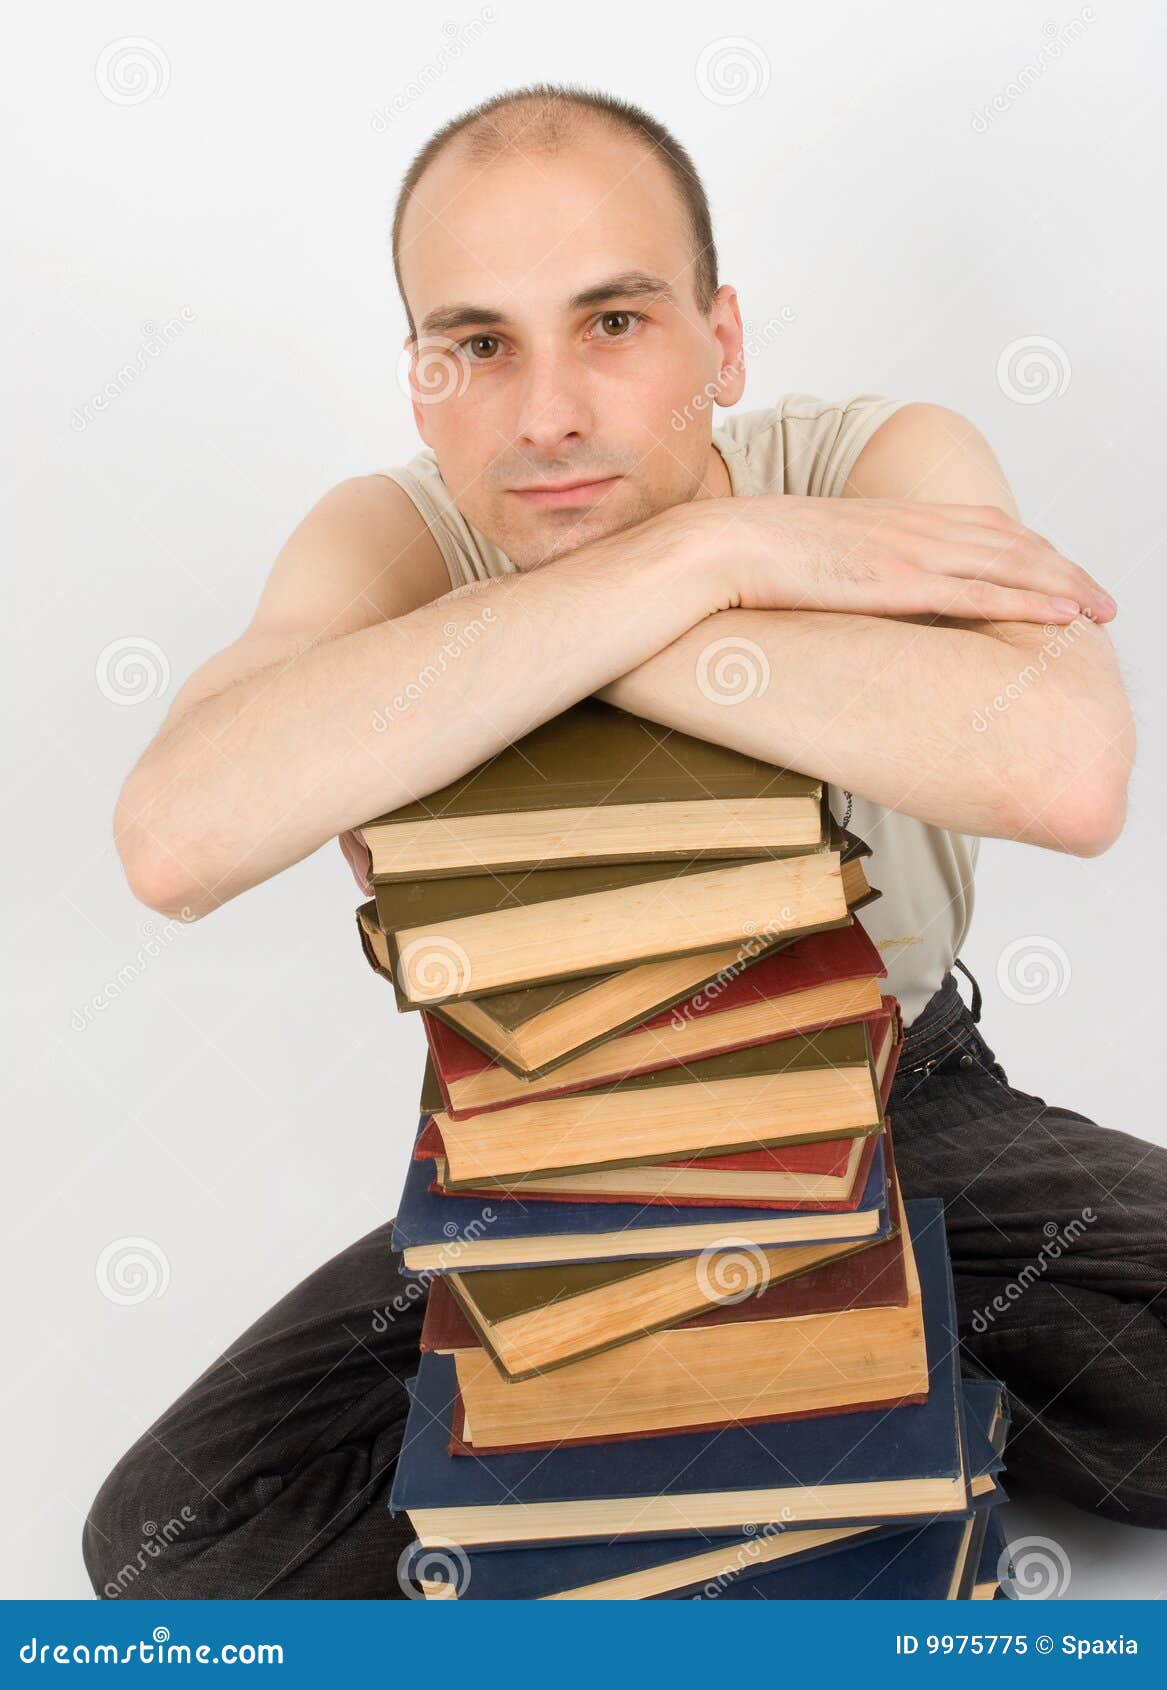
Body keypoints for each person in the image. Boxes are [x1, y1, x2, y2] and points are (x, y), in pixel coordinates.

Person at [85, 83, 1162, 1601]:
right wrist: (712, 554)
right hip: (553, 1157)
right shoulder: (393, 532)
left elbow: (1069, 771)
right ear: (418, 378)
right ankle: (768, 1450)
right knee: (167, 1540)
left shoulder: (871, 465)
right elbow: (173, 834)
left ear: (724, 340)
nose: (546, 417)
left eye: (613, 322)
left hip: (898, 1117)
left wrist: (539, 637)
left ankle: (886, 1407)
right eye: (477, 343)